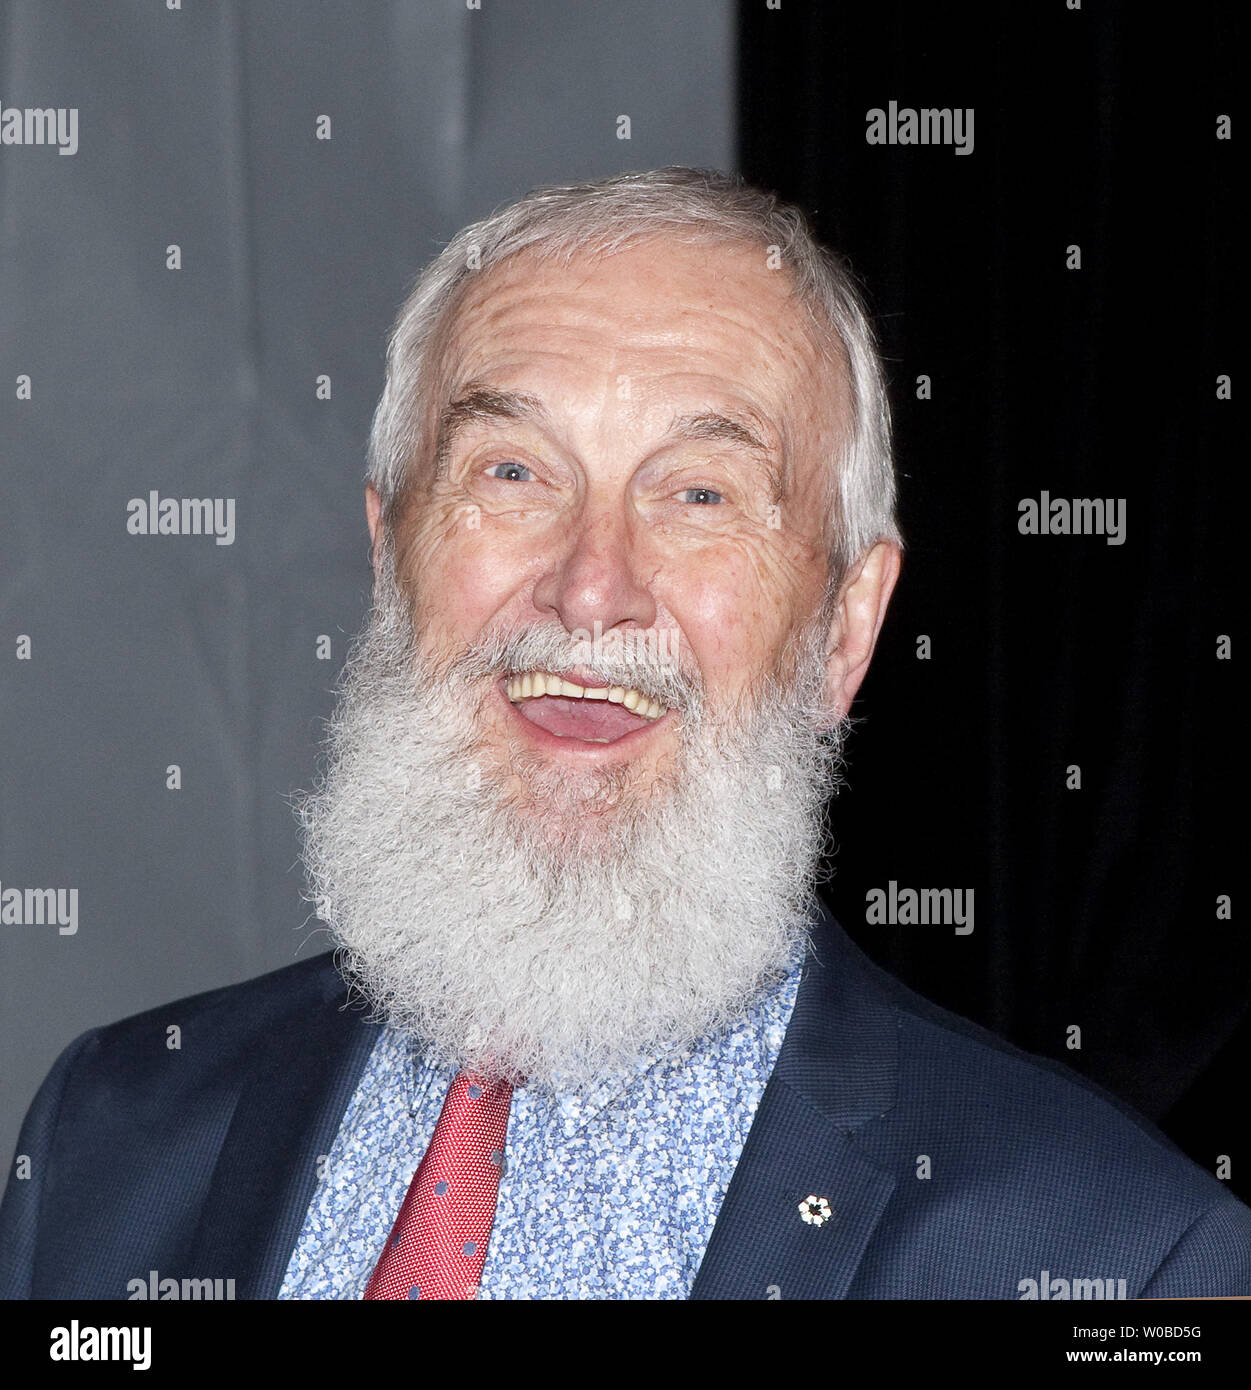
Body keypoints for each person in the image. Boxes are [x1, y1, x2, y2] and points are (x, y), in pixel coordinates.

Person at [2, 168, 1246, 1301]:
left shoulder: (1118, 1263)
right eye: (512, 473)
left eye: (700, 494)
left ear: (846, 628)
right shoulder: (107, 1139)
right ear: (390, 560)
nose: (591, 588)